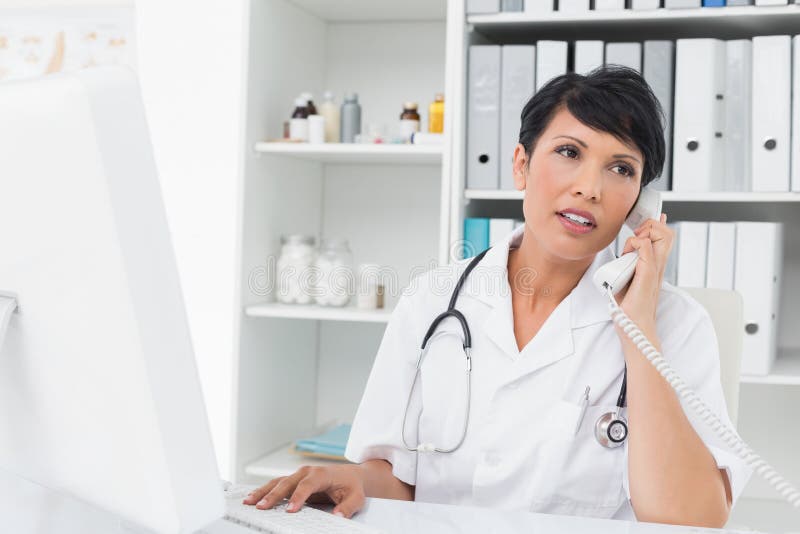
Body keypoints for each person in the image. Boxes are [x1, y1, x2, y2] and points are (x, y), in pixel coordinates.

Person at [243, 66, 752, 527]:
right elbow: (398, 477)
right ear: (521, 166)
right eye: (569, 152)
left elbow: (691, 520)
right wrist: (357, 482)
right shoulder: (433, 299)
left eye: (621, 168)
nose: (590, 188)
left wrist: (638, 328)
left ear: (641, 204)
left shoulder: (676, 324)